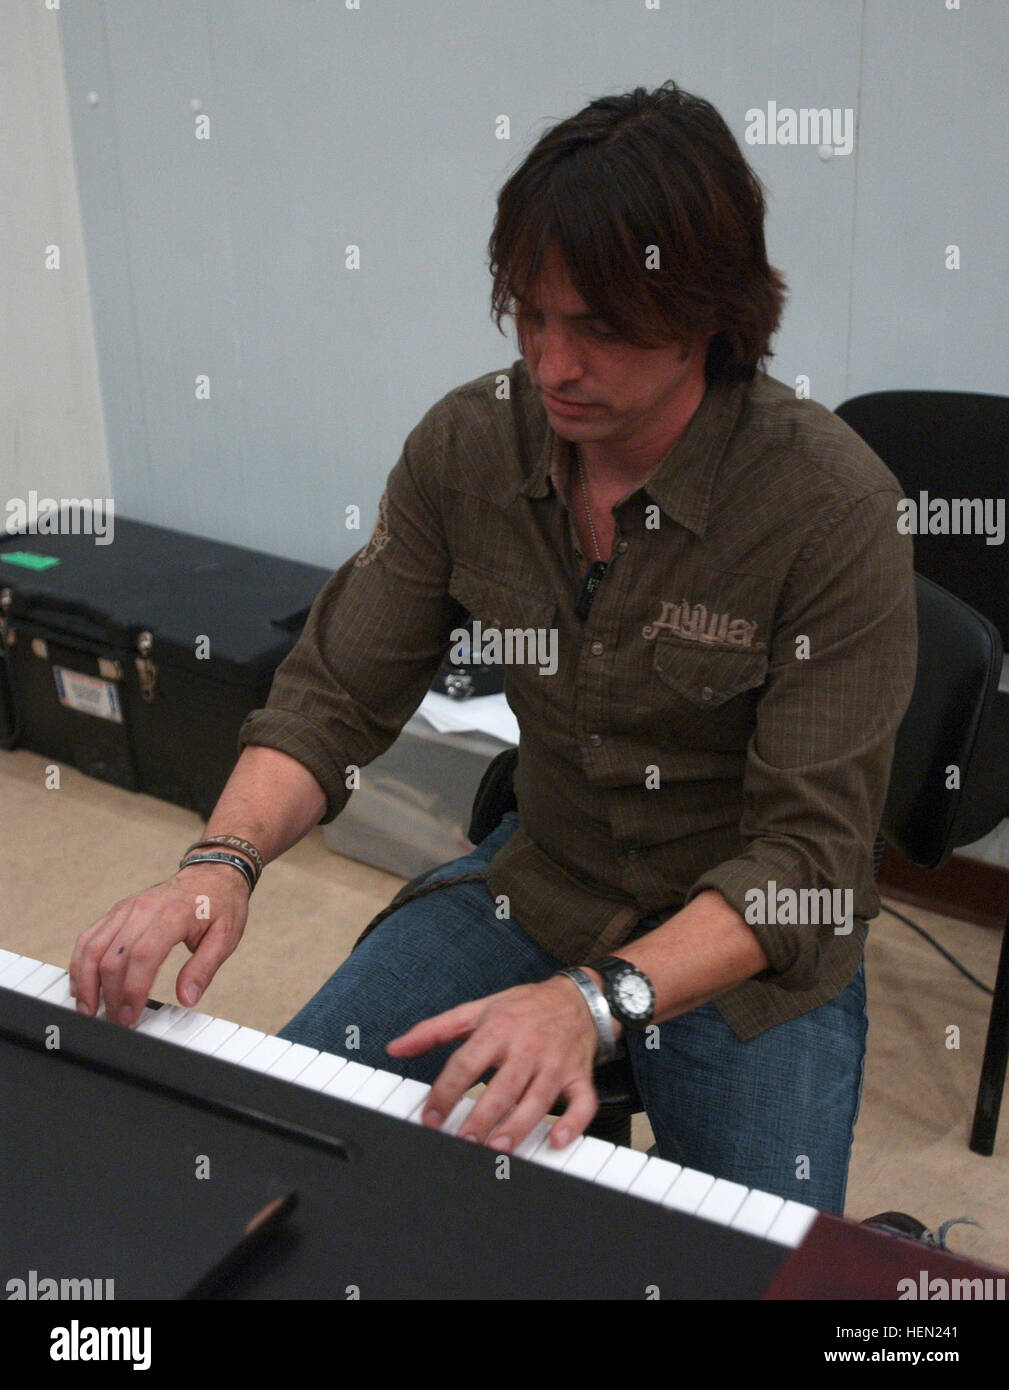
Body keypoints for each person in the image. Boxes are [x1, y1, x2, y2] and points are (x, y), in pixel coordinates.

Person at [69, 81, 916, 1215]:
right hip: (545, 876)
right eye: (529, 316)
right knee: (289, 1144)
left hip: (749, 949)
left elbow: (809, 863)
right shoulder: (470, 445)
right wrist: (218, 865)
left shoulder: (831, 509)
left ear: (709, 316)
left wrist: (591, 1002)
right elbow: (331, 696)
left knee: (749, 1258)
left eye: (600, 327)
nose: (553, 364)